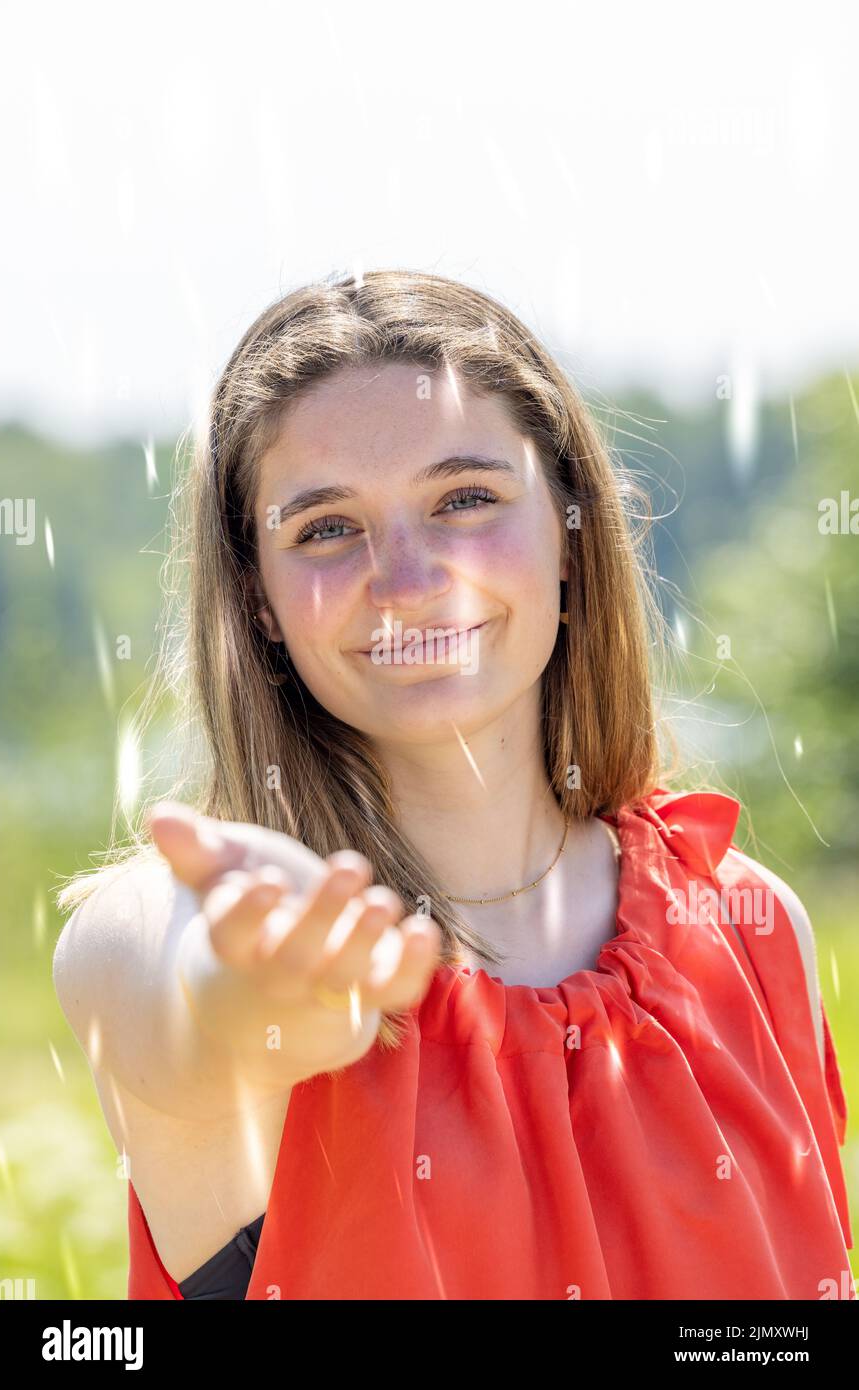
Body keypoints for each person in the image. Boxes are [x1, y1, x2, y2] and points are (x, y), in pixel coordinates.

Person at [53, 269, 853, 1300]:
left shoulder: (756, 927)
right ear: (256, 600)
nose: (409, 576)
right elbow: (184, 1011)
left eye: (465, 497)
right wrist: (257, 997)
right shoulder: (169, 925)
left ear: (570, 531)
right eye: (325, 527)